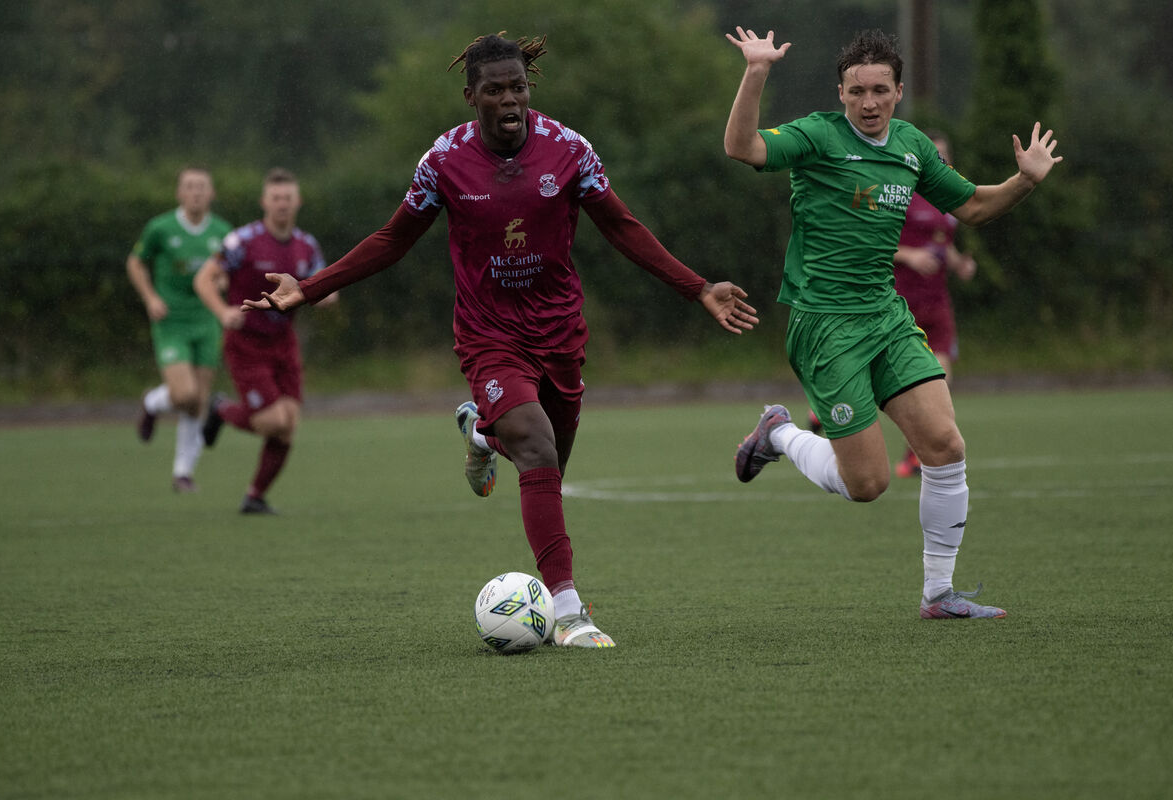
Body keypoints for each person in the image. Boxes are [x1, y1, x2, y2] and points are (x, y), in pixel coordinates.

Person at [240, 33, 759, 647]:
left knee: (549, 467)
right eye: (494, 90)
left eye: (517, 87)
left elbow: (621, 226)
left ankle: (481, 433)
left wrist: (696, 287)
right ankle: (570, 615)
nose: (509, 98)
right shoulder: (444, 161)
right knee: (537, 450)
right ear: (472, 97)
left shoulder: (568, 149)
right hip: (488, 334)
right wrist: (310, 286)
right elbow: (391, 239)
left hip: (560, 330)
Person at [723, 27, 1061, 619]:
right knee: (868, 484)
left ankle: (939, 595)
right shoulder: (815, 135)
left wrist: (1025, 179)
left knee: (945, 444)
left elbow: (975, 207)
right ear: (842, 93)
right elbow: (742, 147)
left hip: (886, 316)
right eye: (858, 92)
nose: (870, 102)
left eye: (881, 90)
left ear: (899, 91)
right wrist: (756, 71)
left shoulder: (911, 147)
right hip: (826, 326)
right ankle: (778, 432)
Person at [194, 168, 335, 514]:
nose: (282, 203)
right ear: (264, 202)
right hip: (246, 343)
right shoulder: (242, 242)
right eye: (276, 198)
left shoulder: (306, 245)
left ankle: (254, 496)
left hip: (283, 343)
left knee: (288, 425)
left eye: (288, 197)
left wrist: (324, 294)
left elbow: (323, 285)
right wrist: (222, 312)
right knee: (273, 421)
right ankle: (221, 410)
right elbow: (203, 280)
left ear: (297, 201)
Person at [127, 166, 233, 493]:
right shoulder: (161, 228)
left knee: (198, 401)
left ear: (212, 193)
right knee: (184, 395)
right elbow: (135, 262)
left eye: (202, 186)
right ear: (179, 193)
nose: (196, 192)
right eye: (189, 186)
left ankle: (183, 473)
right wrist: (150, 297)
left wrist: (223, 282)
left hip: (206, 322)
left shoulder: (223, 232)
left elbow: (228, 274)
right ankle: (153, 403)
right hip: (171, 321)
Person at [891, 131, 977, 478]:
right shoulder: (898, 194)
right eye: (934, 154)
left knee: (940, 381)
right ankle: (826, 411)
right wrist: (909, 256)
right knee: (900, 386)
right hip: (900, 304)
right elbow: (873, 244)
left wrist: (959, 264)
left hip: (937, 303)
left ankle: (915, 455)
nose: (939, 160)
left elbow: (943, 244)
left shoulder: (948, 201)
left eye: (944, 155)